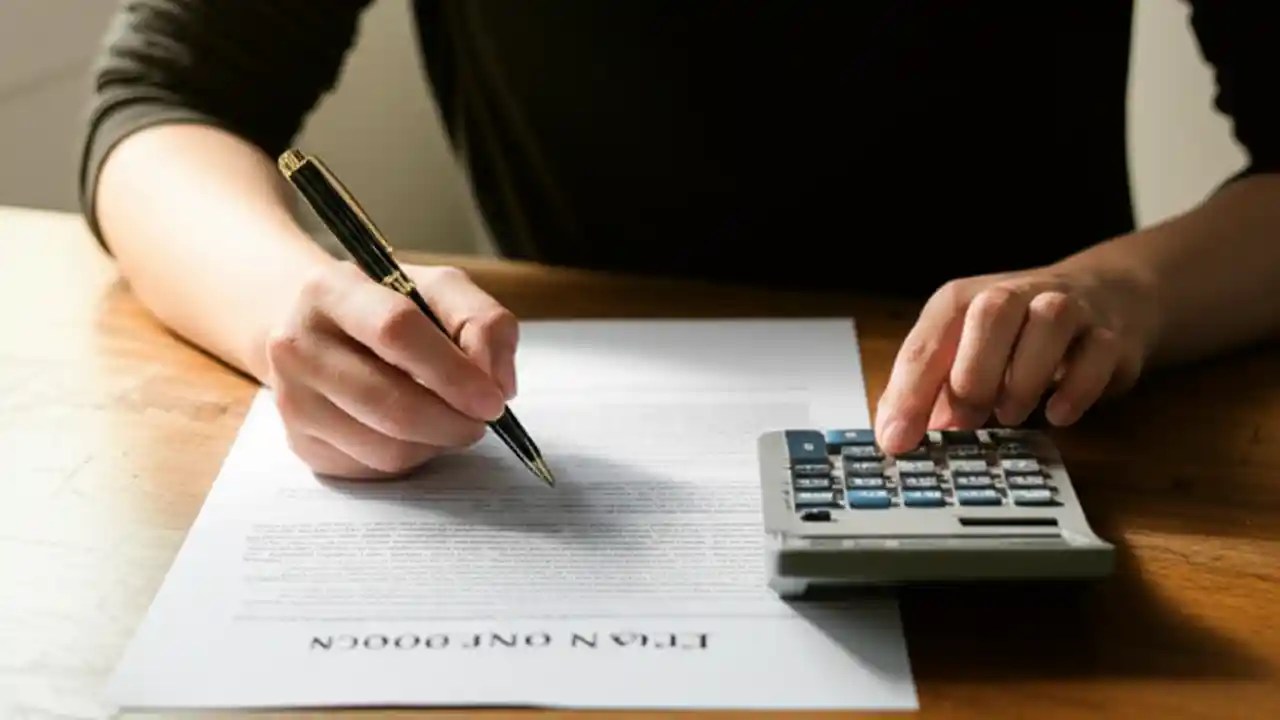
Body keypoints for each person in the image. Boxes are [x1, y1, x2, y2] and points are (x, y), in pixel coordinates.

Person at [79, 1, 1280, 479]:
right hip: (572, 445)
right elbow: (160, 101)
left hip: (1045, 434)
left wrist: (1129, 292)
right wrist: (288, 299)